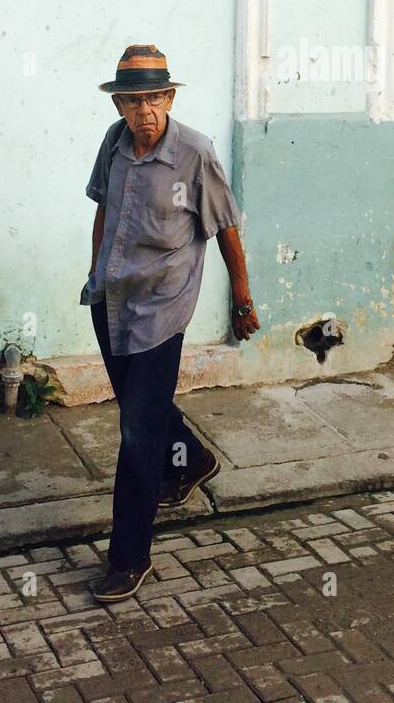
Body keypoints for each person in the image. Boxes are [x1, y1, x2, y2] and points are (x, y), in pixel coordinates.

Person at [80, 44, 260, 603]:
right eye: (133, 101)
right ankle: (195, 459)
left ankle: (128, 557)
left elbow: (226, 227)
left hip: (163, 304)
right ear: (120, 108)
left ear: (170, 96)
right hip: (111, 301)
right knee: (144, 408)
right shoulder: (114, 144)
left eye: (154, 98)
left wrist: (242, 300)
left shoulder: (195, 154)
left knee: (136, 434)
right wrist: (94, 274)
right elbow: (104, 209)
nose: (144, 111)